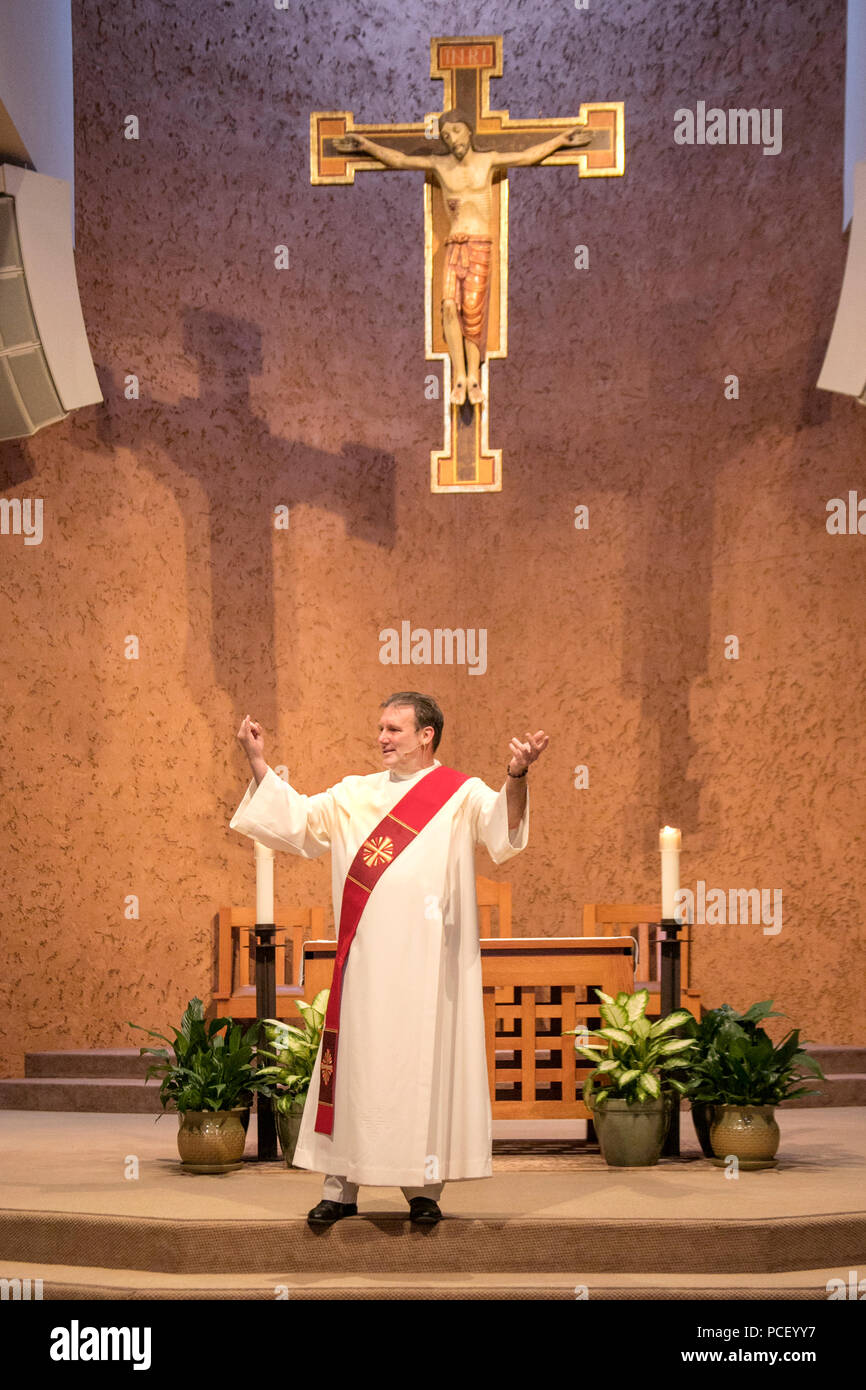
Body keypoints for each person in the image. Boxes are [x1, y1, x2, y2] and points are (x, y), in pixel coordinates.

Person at [230, 692, 548, 1225]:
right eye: (380, 728)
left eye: (394, 730)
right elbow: (298, 821)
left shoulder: (460, 794)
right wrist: (258, 761)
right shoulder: (353, 794)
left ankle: (423, 1190)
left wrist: (515, 776)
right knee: (357, 1067)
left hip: (431, 969)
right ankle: (340, 1189)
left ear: (426, 736)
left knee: (421, 1069)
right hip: (367, 968)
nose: (382, 738)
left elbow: (503, 832)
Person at [334, 111, 591, 407]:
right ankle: (459, 376)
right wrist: (366, 145)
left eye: (455, 131)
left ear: (468, 132)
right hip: (454, 243)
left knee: (472, 313)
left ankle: (473, 378)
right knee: (447, 307)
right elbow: (401, 160)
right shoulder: (440, 165)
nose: (451, 138)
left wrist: (560, 140)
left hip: (480, 244)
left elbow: (527, 157)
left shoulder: (489, 160)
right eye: (445, 135)